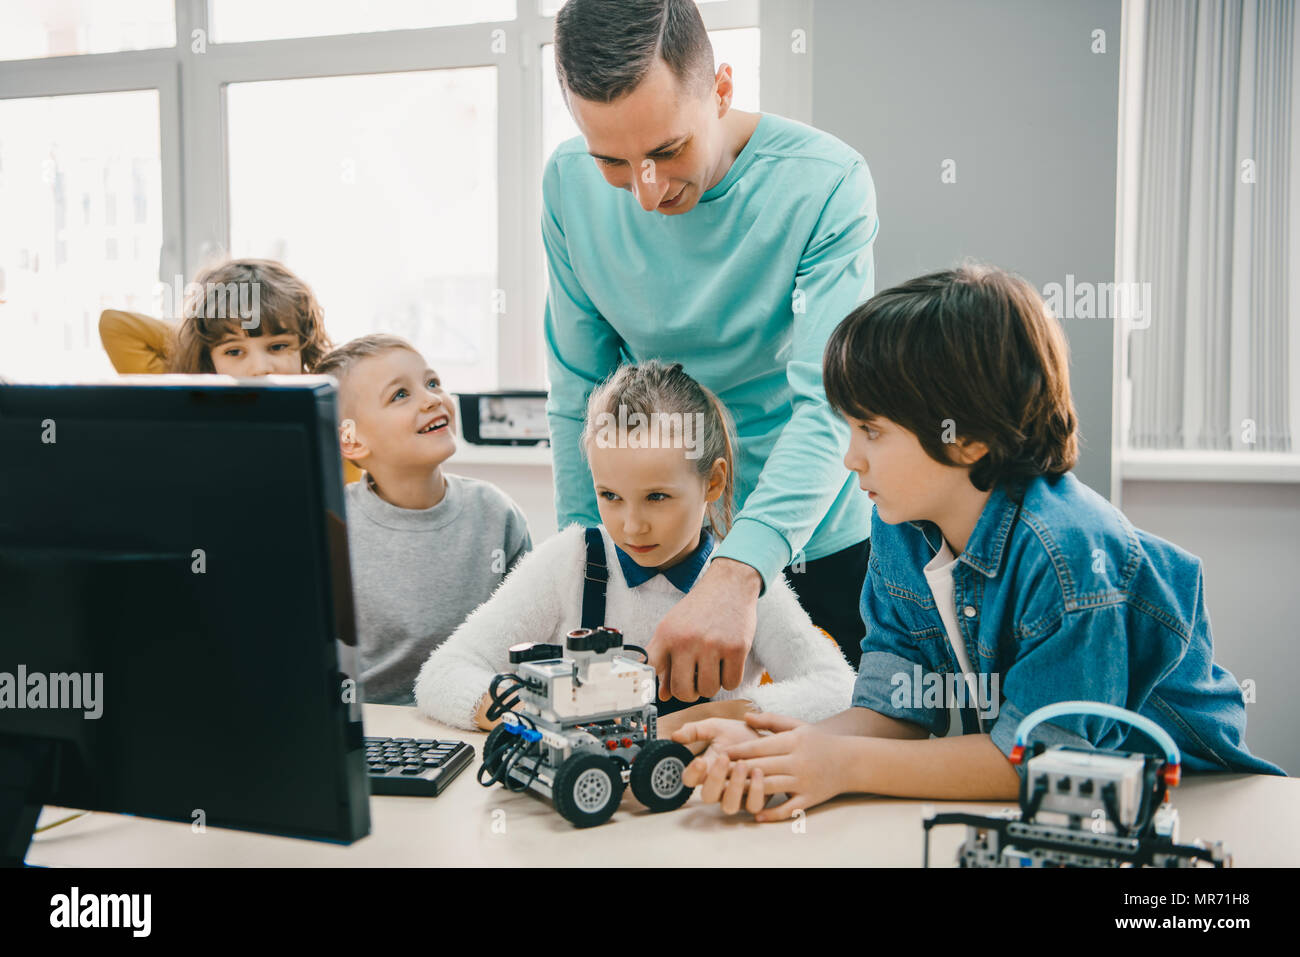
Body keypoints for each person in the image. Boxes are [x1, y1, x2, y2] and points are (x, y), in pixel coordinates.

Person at [675, 264, 1284, 821]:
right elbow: (897, 709)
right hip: (1064, 810)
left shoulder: (1073, 557)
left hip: (1195, 804)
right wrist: (780, 747)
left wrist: (841, 764)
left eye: (871, 431)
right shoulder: (900, 526)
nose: (850, 458)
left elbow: (1039, 761)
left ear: (966, 440)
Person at [544, 0, 879, 700]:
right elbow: (580, 393)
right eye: (612, 159)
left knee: (807, 766)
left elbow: (829, 403)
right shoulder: (566, 185)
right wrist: (590, 560)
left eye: (667, 151)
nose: (646, 190)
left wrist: (737, 568)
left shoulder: (826, 183)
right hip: (654, 543)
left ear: (721, 90)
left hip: (809, 544)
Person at [414, 361, 854, 732]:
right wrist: (517, 712)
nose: (632, 526)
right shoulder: (566, 561)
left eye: (657, 497)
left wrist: (732, 714)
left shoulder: (740, 582)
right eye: (610, 496)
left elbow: (838, 689)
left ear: (713, 482)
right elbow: (443, 673)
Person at [315, 334, 532, 705]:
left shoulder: (497, 513)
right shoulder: (331, 529)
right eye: (400, 395)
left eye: (432, 383)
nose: (432, 399)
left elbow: (530, 639)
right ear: (351, 441)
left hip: (478, 719)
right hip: (373, 734)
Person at [99, 257, 363, 483]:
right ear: (208, 357)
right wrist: (201, 333)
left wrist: (227, 334)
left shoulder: (332, 427)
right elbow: (115, 326)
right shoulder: (191, 404)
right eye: (234, 351)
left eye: (278, 346)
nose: (260, 369)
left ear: (304, 347)